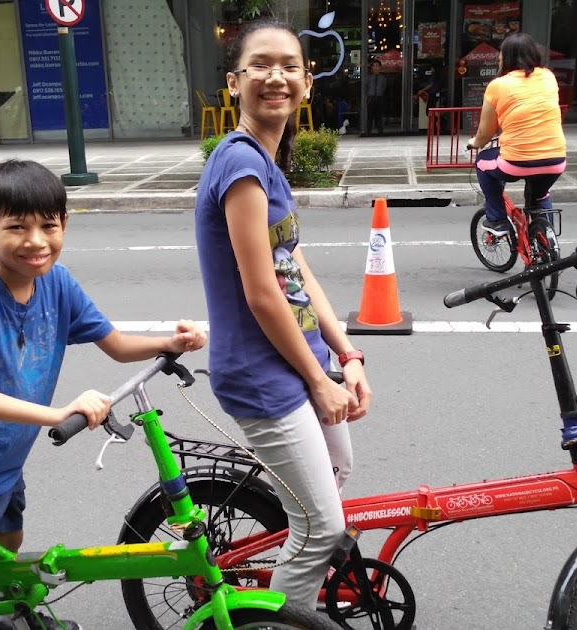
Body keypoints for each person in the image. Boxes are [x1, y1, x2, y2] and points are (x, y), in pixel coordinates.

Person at [0, 159, 207, 630]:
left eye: (48, 225)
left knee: (9, 545)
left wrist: (169, 342)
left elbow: (116, 344)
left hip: (1, 466)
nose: (36, 241)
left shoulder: (56, 283)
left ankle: (5, 611)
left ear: (65, 224)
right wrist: (57, 412)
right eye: (16, 227)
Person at [193, 17, 373, 611]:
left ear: (308, 82)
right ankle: (281, 621)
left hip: (297, 362)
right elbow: (263, 293)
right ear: (233, 82)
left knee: (335, 474)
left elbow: (294, 266)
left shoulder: (268, 161)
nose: (276, 76)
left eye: (290, 66)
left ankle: (288, 556)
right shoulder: (241, 164)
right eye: (261, 65)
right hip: (260, 374)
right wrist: (319, 382)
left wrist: (345, 355)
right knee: (321, 527)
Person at [466, 32, 567, 235]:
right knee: (539, 195)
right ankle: (546, 239)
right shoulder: (548, 76)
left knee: (483, 163)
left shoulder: (498, 85)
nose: (498, 59)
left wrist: (474, 143)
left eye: (500, 55)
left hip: (516, 163)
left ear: (507, 57)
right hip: (555, 160)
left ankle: (497, 220)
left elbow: (485, 134)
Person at [365, 59, 388, 134]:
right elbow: (366, 87)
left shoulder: (383, 78)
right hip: (370, 98)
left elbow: (384, 87)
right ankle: (368, 131)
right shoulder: (368, 77)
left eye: (377, 66)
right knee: (370, 116)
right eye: (374, 66)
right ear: (371, 68)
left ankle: (380, 131)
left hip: (379, 97)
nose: (375, 68)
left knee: (379, 116)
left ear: (380, 67)